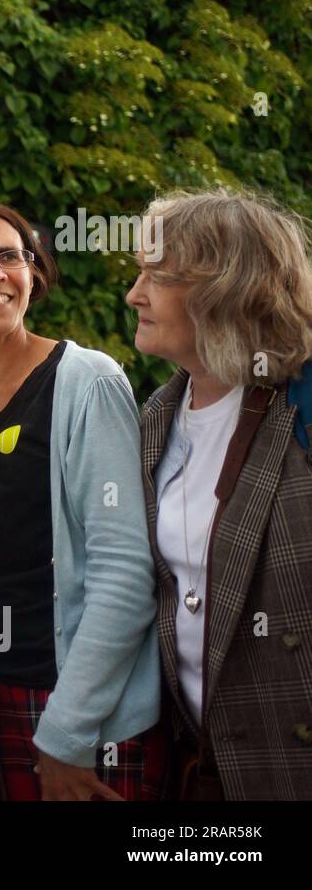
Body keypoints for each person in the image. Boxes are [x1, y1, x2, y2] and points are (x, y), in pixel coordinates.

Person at [0, 200, 163, 800]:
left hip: (84, 712)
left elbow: (124, 574)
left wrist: (67, 731)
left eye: (10, 256)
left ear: (32, 273)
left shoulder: (87, 382)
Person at [127, 188, 312, 800]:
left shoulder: (301, 406)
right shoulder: (154, 418)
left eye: (158, 277)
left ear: (224, 289)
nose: (134, 294)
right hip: (207, 766)